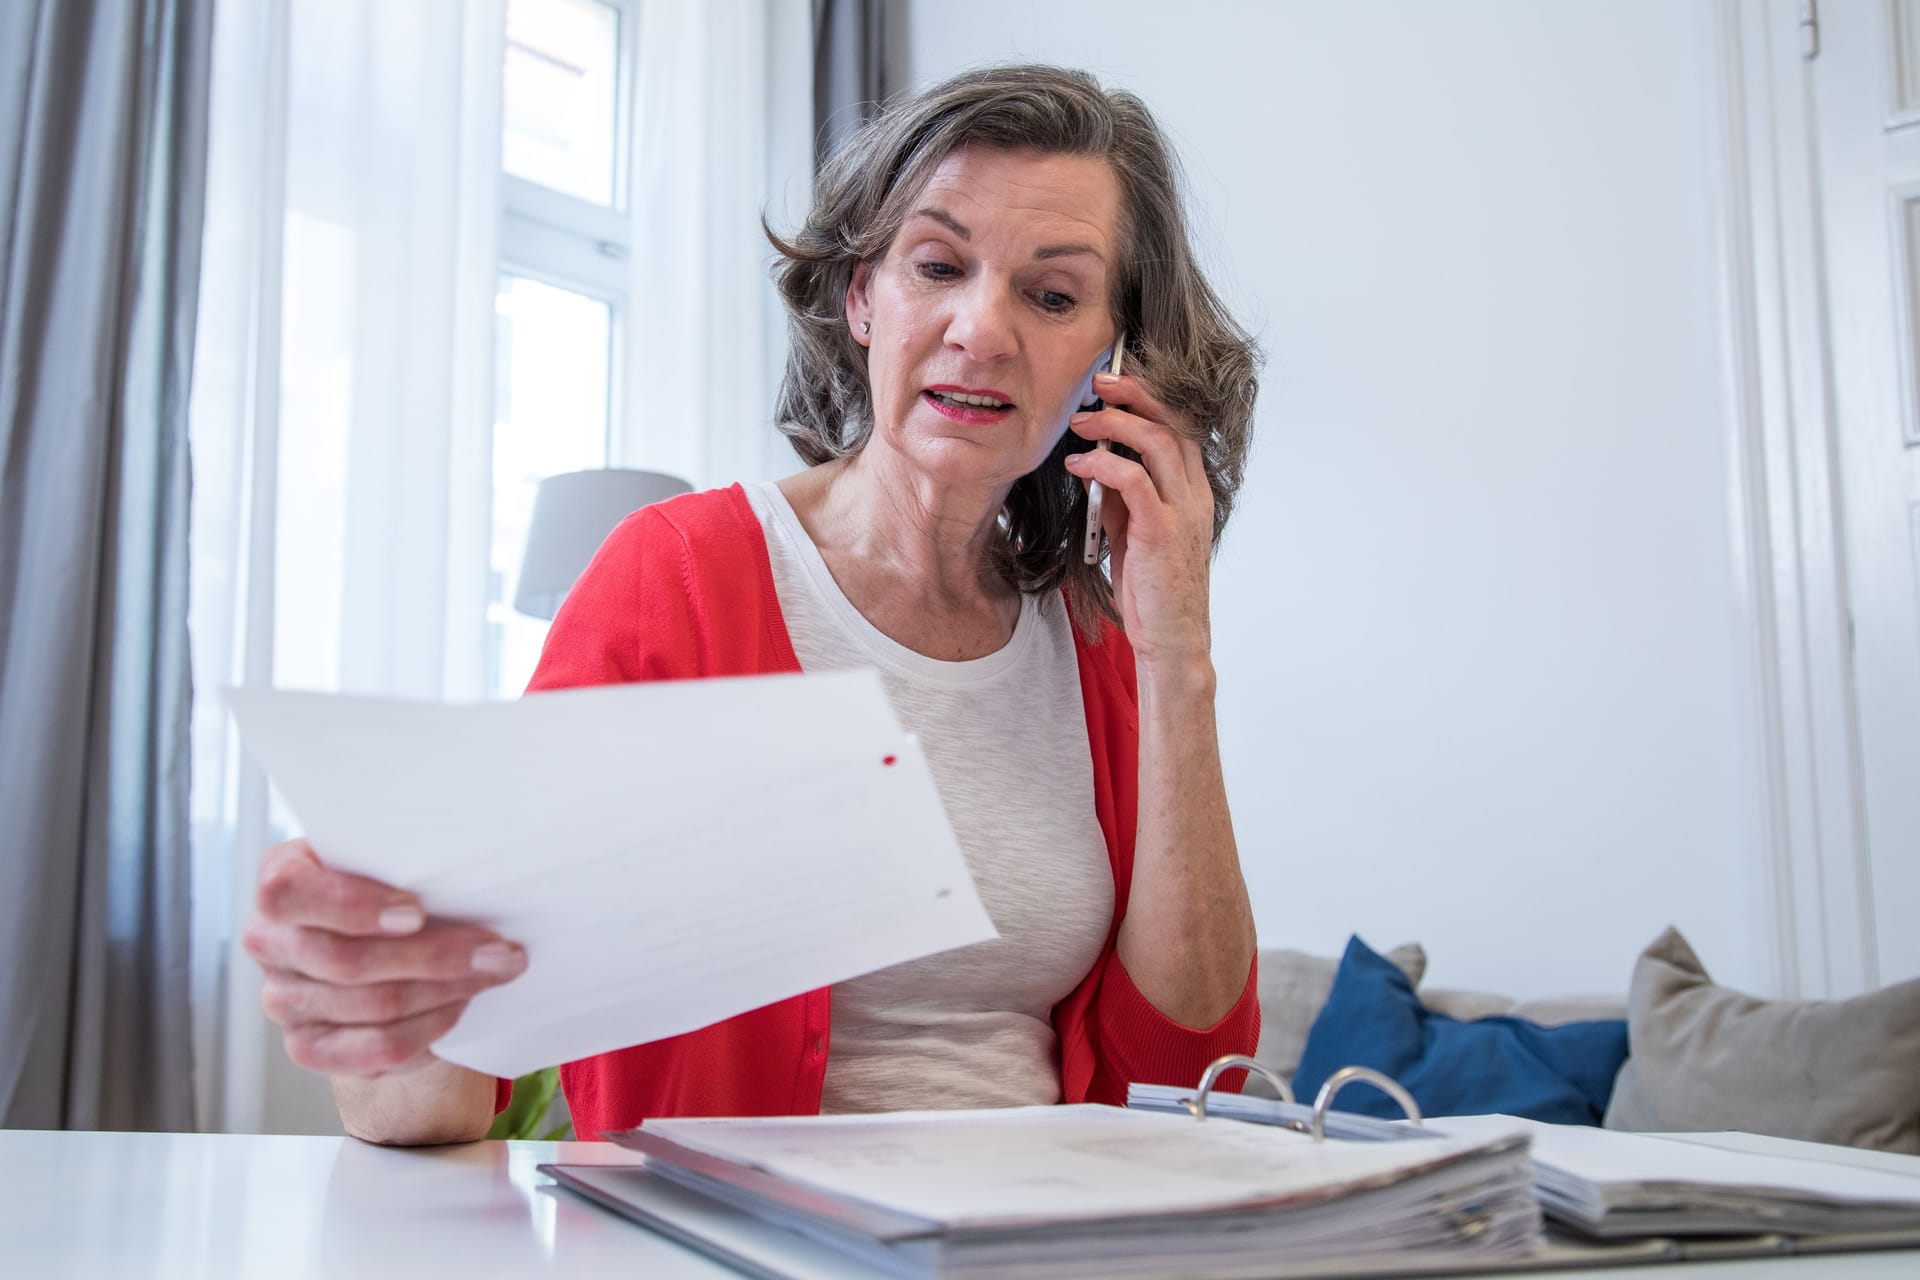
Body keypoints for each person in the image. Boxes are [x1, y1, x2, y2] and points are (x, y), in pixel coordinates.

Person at [243, 64, 1263, 1146]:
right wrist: (375, 1001)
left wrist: (1178, 656)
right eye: (937, 264)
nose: (981, 328)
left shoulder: (1098, 641)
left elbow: (1192, 1075)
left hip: (1043, 1241)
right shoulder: (673, 577)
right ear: (863, 297)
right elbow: (450, 1080)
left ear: (1111, 360)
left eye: (1051, 295)